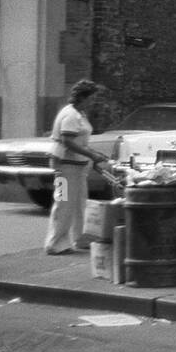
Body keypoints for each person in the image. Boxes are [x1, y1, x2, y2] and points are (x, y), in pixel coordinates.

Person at [45, 80, 113, 255]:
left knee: (78, 204)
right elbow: (68, 141)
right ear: (83, 97)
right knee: (63, 204)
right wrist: (92, 155)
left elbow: (80, 142)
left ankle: (79, 239)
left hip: (77, 167)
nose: (94, 102)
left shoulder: (79, 114)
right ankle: (55, 243)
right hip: (65, 166)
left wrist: (94, 155)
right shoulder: (70, 115)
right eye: (92, 97)